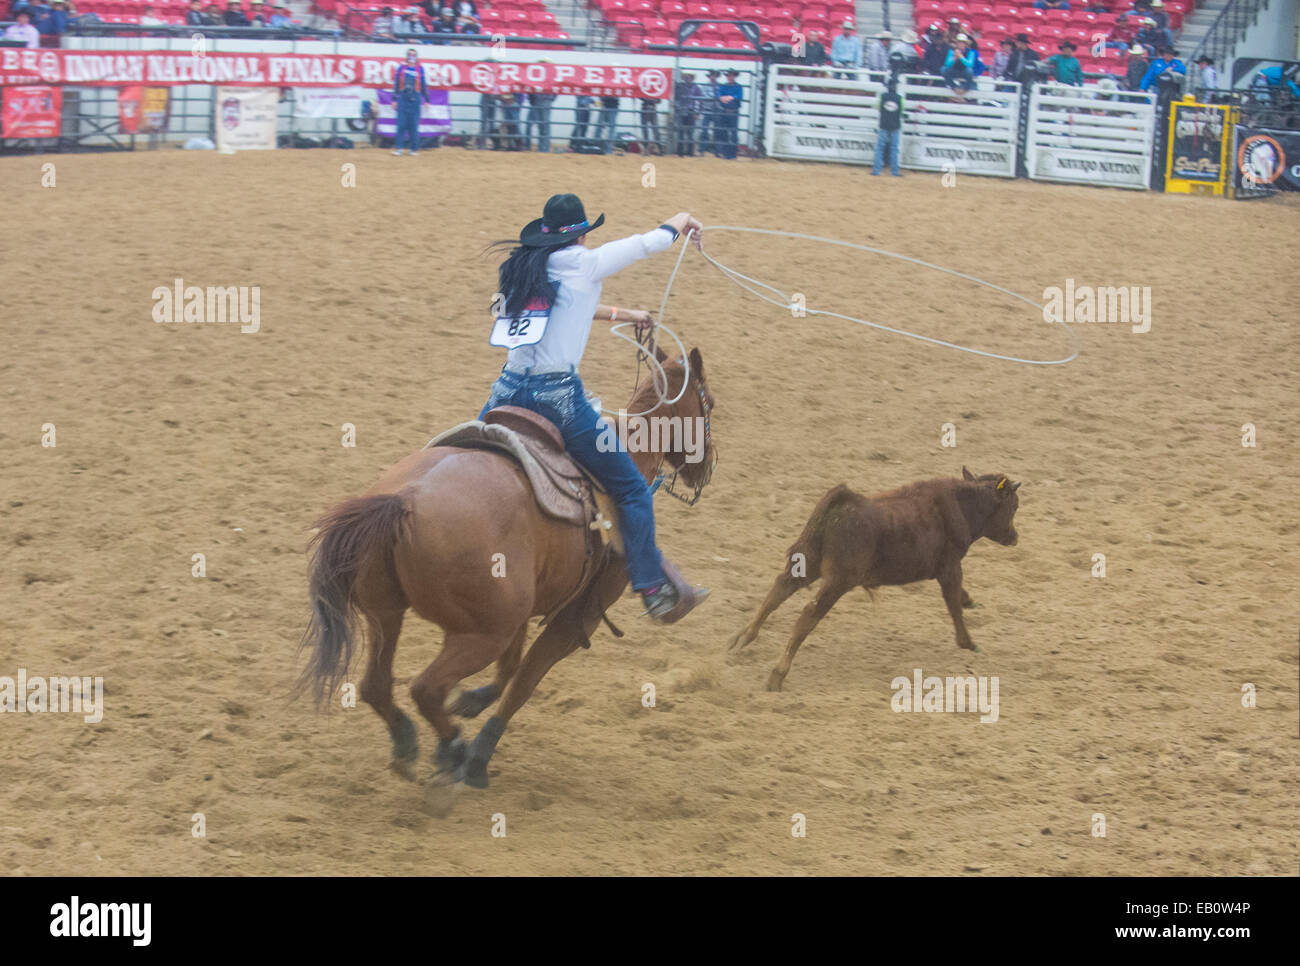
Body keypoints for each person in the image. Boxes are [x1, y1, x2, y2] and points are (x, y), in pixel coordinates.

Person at [481, 195, 710, 623]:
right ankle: (651, 588)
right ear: (581, 234)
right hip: (559, 401)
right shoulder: (585, 264)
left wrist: (622, 313)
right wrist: (682, 219)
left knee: (470, 453)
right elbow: (648, 243)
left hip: (505, 393)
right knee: (632, 490)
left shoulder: (523, 268)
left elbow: (562, 307)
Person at [391, 48, 426, 155]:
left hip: (415, 98)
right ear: (407, 57)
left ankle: (413, 149)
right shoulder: (401, 68)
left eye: (414, 55)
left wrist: (427, 99)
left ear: (416, 57)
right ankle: (399, 148)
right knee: (401, 124)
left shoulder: (420, 69)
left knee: (414, 125)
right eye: (410, 55)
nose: (412, 57)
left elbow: (423, 85)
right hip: (403, 97)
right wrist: (394, 99)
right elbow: (396, 84)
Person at [872, 75, 903, 176]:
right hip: (895, 125)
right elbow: (901, 111)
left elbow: (878, 108)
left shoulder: (883, 97)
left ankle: (876, 170)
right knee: (894, 148)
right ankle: (894, 171)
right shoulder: (900, 98)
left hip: (884, 124)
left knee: (880, 148)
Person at [716, 68, 743, 159]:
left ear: (734, 76)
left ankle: (732, 154)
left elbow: (739, 96)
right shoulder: (724, 86)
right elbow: (719, 95)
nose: (730, 77)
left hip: (733, 111)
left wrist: (727, 97)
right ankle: (726, 154)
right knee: (724, 133)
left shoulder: (738, 87)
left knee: (733, 133)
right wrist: (729, 98)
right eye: (729, 75)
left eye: (731, 75)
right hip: (726, 111)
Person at [673, 71, 703, 156]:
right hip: (682, 111)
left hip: (690, 111)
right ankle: (680, 152)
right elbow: (675, 98)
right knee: (681, 132)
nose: (687, 78)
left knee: (690, 133)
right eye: (686, 77)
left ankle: (689, 152)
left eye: (689, 77)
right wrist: (677, 108)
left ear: (691, 78)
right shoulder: (679, 87)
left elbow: (700, 101)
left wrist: (697, 113)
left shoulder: (695, 88)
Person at [699, 70, 720, 154]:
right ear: (710, 76)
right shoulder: (705, 86)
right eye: (712, 75)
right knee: (704, 130)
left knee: (717, 130)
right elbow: (704, 97)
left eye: (714, 75)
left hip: (716, 110)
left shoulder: (719, 86)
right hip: (708, 110)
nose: (713, 77)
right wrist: (714, 99)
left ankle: (716, 150)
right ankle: (702, 149)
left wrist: (713, 99)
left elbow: (719, 97)